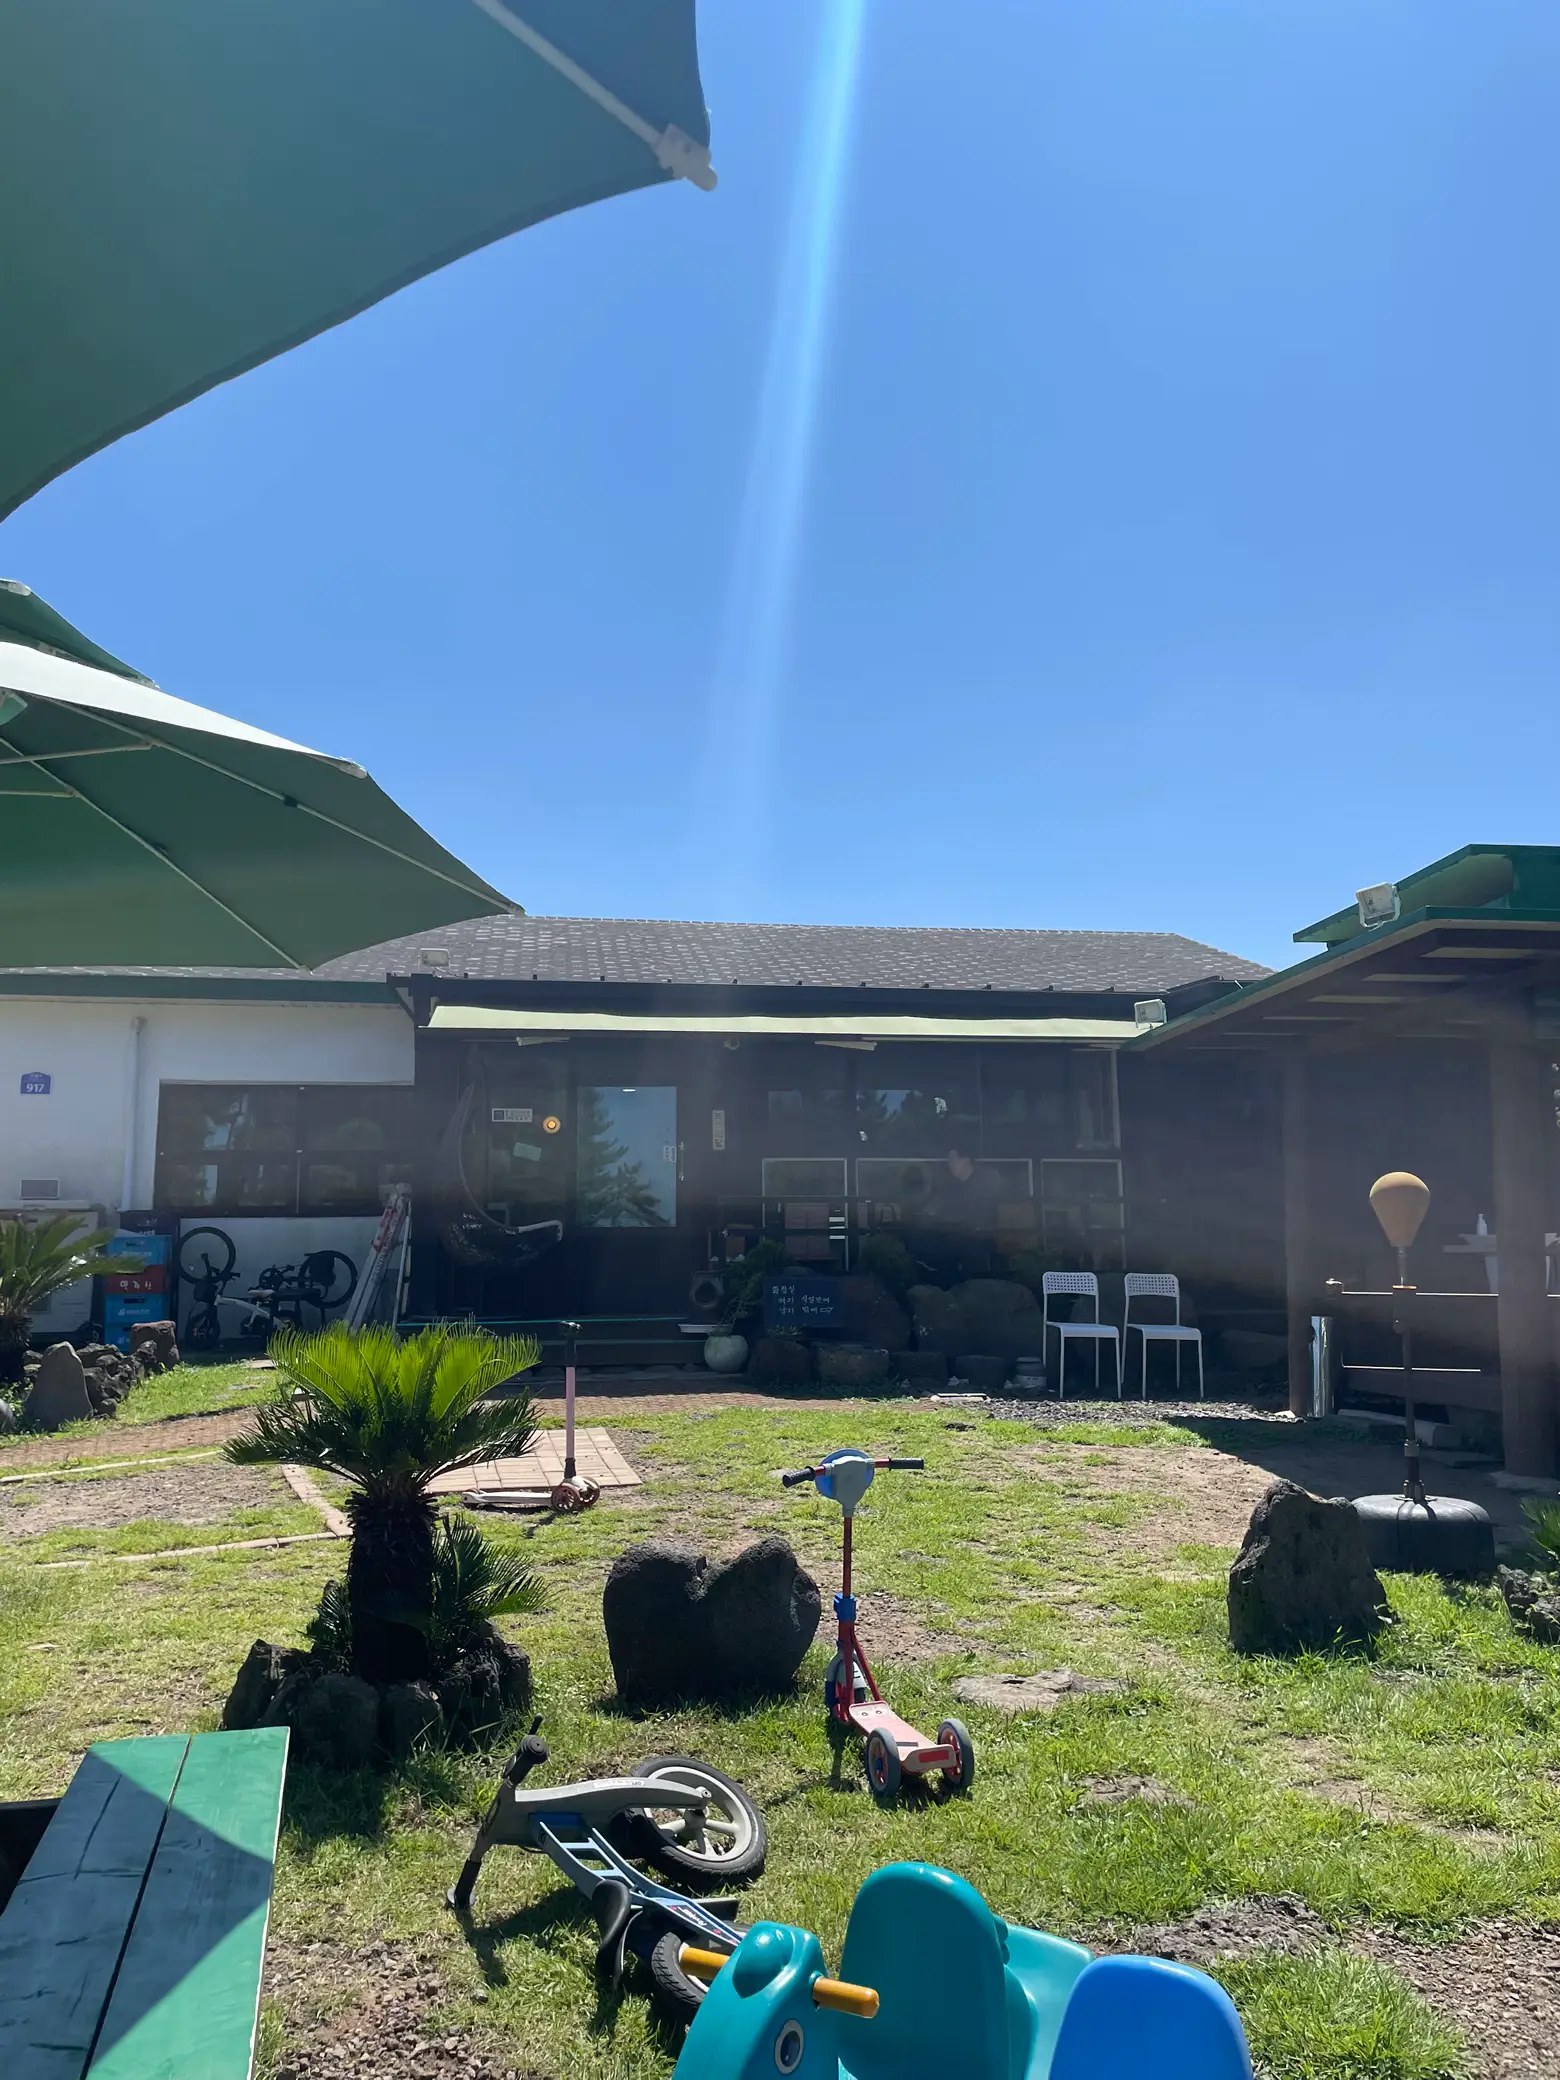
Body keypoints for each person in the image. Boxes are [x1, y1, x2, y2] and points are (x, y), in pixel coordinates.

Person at [924, 1148, 1001, 1280]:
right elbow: (933, 1209)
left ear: (965, 1160)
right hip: (951, 1250)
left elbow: (986, 1221)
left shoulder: (984, 1186)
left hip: (976, 1250)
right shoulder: (948, 1187)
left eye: (952, 1160)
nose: (949, 1164)